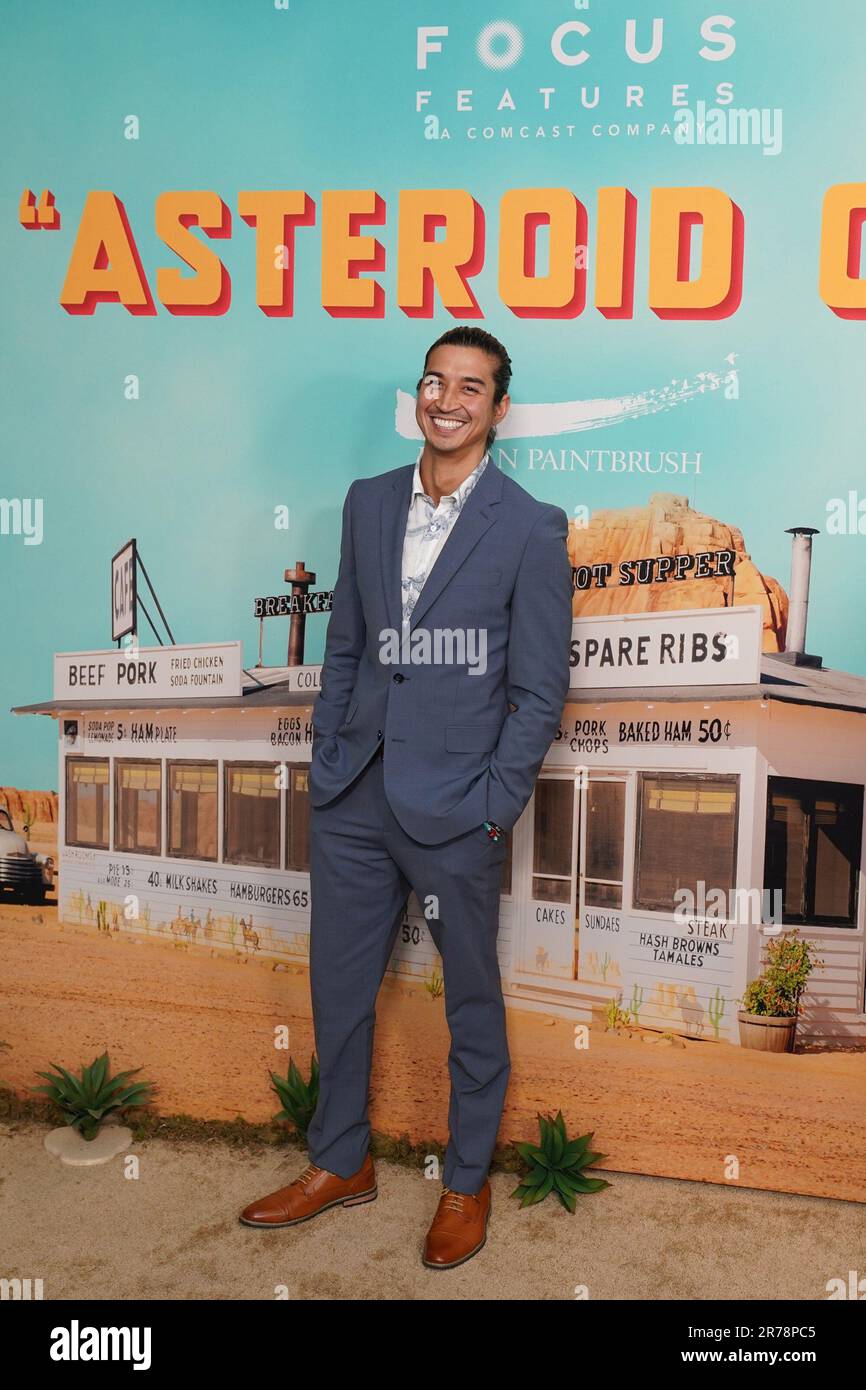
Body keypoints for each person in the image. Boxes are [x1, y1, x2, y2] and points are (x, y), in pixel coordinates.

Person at [240, 326, 573, 1268]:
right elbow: (346, 643)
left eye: (471, 386)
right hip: (354, 796)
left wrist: (494, 805)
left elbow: (540, 688)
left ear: (498, 410)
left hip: (458, 809)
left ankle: (465, 1182)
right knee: (338, 990)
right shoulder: (368, 501)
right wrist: (327, 760)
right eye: (435, 381)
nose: (448, 398)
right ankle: (339, 1160)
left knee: (472, 998)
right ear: (418, 396)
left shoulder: (531, 525)